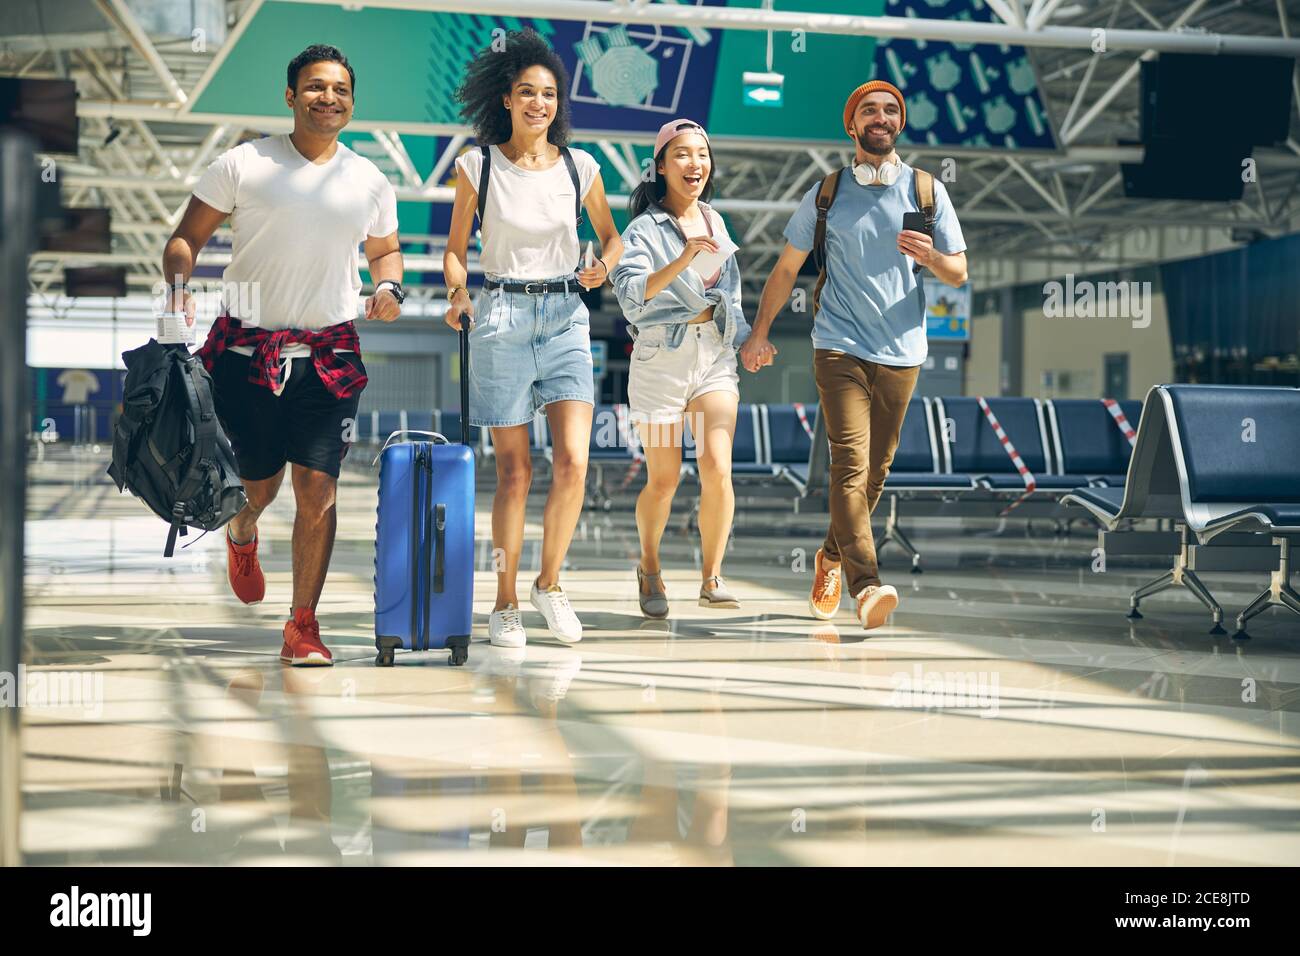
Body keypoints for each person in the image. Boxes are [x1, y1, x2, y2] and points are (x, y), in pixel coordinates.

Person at [164, 44, 403, 665]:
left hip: (329, 354)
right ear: (290, 95)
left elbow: (385, 251)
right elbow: (186, 238)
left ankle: (303, 624)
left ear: (353, 102)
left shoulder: (369, 179)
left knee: (318, 491)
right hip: (245, 354)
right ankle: (243, 530)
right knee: (259, 488)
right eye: (316, 87)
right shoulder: (243, 164)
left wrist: (389, 286)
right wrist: (179, 289)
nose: (330, 97)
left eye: (341, 90)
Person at [740, 80, 967, 631]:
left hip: (903, 351)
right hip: (838, 345)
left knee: (875, 475)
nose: (881, 117)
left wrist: (930, 254)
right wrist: (759, 332)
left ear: (899, 124)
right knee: (849, 466)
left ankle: (831, 556)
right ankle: (866, 587)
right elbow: (786, 269)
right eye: (870, 110)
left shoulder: (927, 191)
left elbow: (958, 271)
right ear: (853, 124)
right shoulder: (826, 194)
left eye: (891, 110)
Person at [443, 29, 623, 648]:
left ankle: (551, 584)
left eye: (548, 94)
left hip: (567, 314)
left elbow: (611, 235)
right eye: (527, 93)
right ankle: (506, 603)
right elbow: (455, 252)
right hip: (500, 315)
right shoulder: (478, 166)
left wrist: (602, 261)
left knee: (574, 460)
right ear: (507, 100)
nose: (538, 103)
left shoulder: (582, 166)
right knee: (515, 472)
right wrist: (458, 293)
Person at [611, 119, 751, 618]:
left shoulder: (716, 221)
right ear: (662, 166)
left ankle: (712, 576)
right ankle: (650, 566)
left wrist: (751, 338)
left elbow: (729, 295)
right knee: (665, 480)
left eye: (703, 155)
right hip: (660, 359)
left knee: (717, 464)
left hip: (713, 353)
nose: (695, 164)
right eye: (683, 155)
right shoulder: (643, 229)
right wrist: (682, 258)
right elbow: (631, 296)